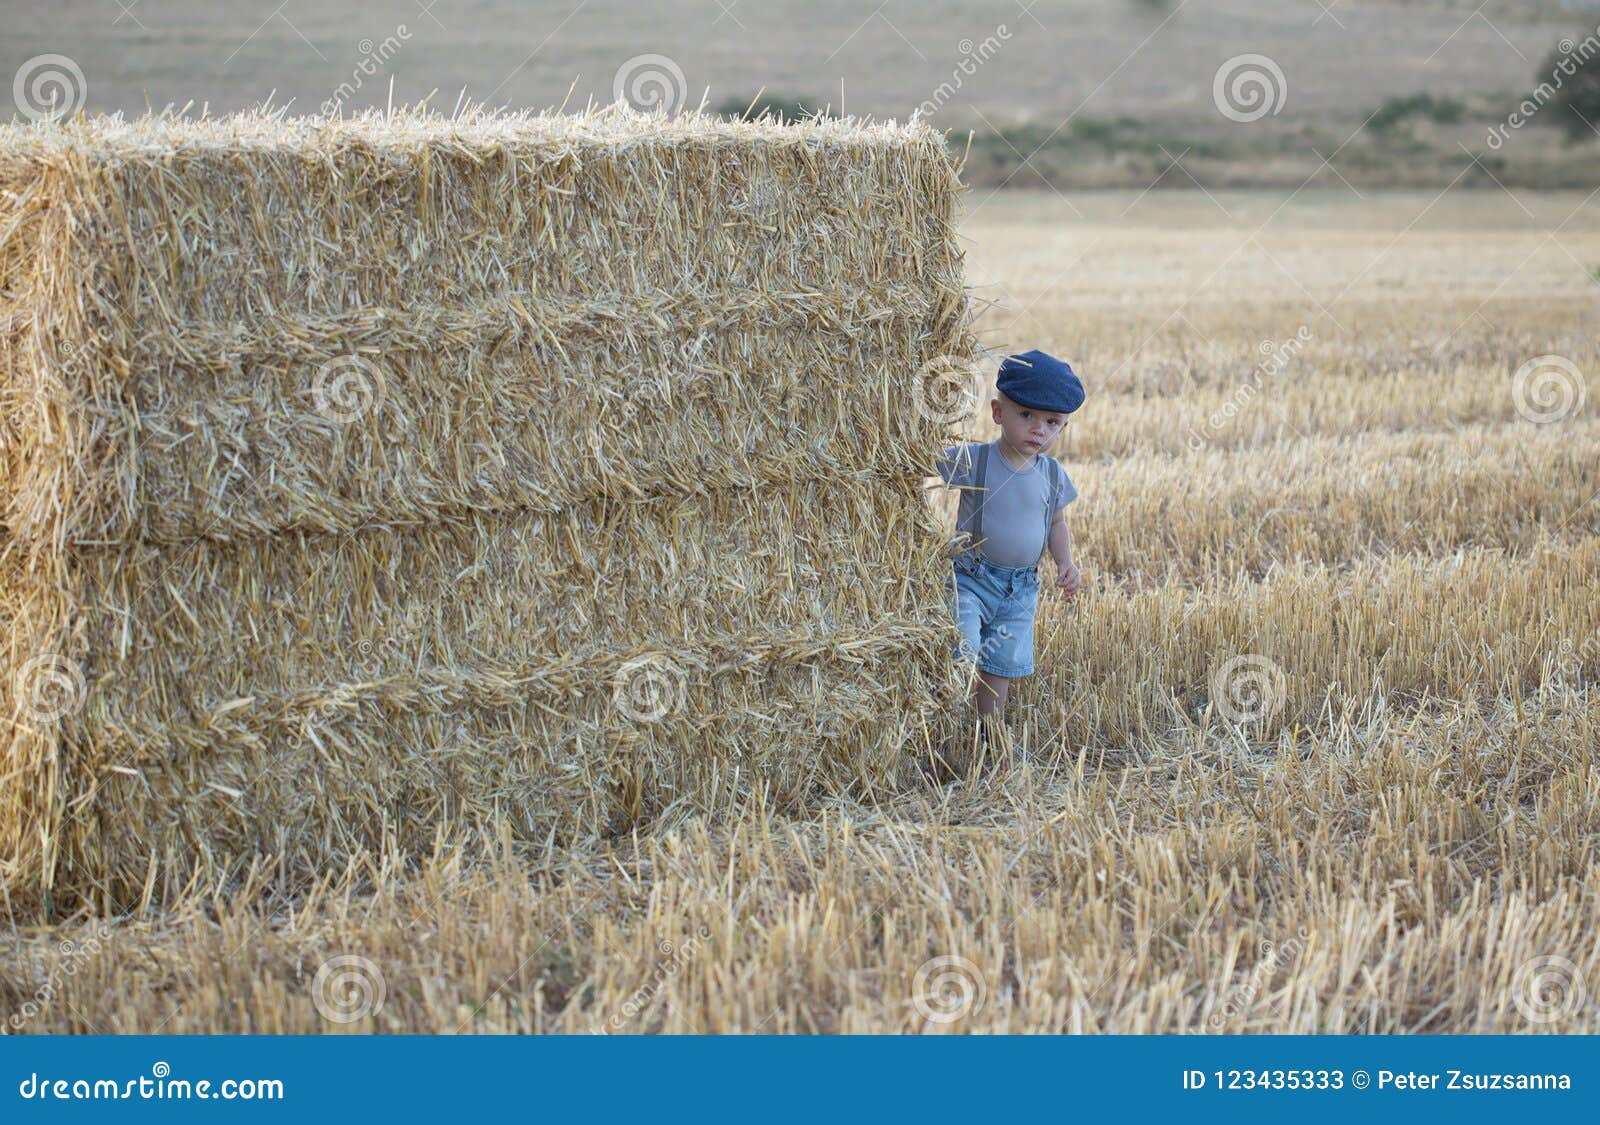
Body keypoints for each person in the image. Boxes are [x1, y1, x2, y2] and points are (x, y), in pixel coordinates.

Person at [934, 349, 1084, 737]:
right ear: (998, 413)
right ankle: (937, 715)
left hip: (1021, 588)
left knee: (999, 665)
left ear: (1062, 428)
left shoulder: (1052, 474)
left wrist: (1065, 562)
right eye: (1026, 416)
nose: (1039, 430)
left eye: (1051, 422)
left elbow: (1056, 523)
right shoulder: (975, 461)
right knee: (962, 643)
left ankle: (989, 731)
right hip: (971, 577)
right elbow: (917, 460)